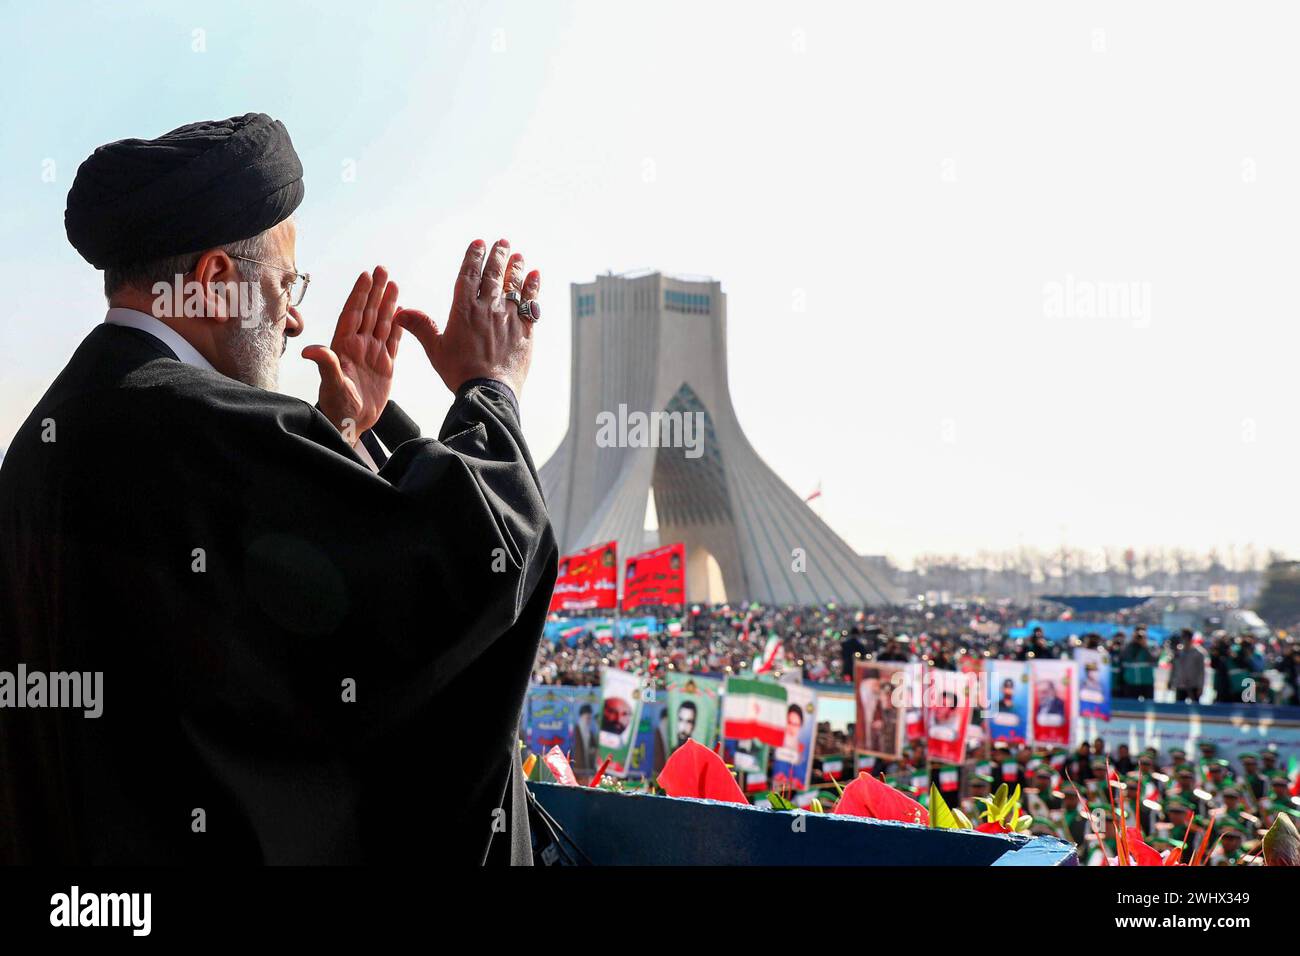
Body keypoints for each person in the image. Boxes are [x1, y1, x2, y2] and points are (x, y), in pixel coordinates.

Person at [0, 114, 556, 865]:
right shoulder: (198, 429)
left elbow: (244, 655)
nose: (295, 317)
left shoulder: (53, 435)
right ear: (215, 282)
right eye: (286, 283)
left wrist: (335, 442)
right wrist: (491, 389)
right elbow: (470, 563)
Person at [1172, 630, 1206, 702]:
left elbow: (1201, 671)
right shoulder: (1178, 653)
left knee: (1195, 708)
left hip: (1193, 686)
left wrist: (1200, 687)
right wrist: (1172, 681)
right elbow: (1174, 668)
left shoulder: (1198, 653)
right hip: (1180, 685)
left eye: (1184, 637)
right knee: (1179, 709)